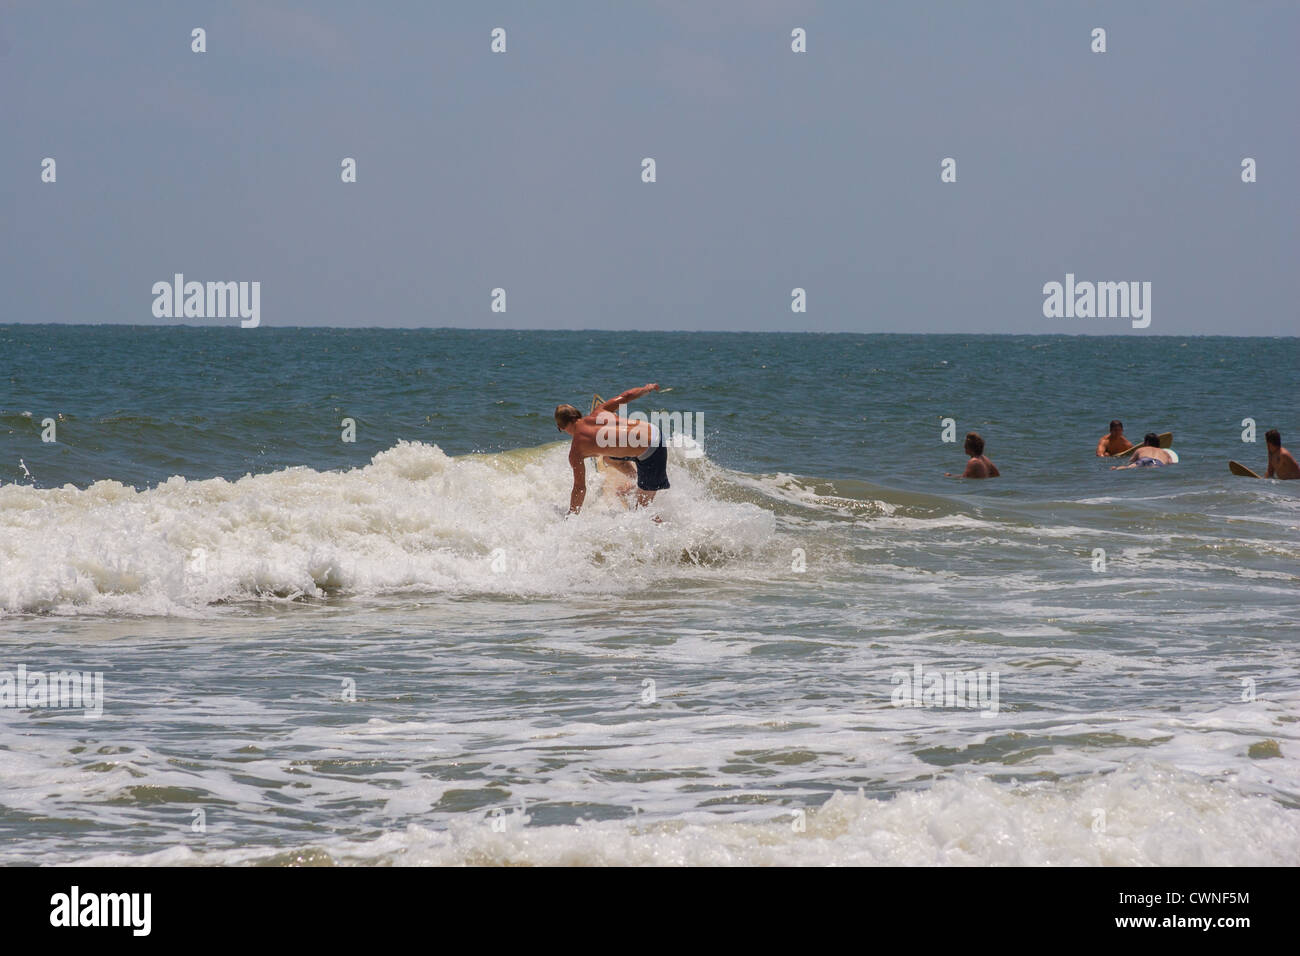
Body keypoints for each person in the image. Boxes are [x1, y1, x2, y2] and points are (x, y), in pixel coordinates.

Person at [556, 383, 669, 512]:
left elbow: (579, 488)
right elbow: (626, 396)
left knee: (643, 512)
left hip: (652, 452)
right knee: (608, 458)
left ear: (561, 427)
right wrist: (646, 389)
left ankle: (672, 530)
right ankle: (635, 479)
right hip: (653, 430)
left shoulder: (576, 451)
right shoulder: (599, 411)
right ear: (578, 415)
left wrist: (572, 514)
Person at [1112, 432, 1176, 469]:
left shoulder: (1141, 449)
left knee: (1128, 467)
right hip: (1157, 462)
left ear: (1147, 443)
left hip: (1144, 460)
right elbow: (1171, 464)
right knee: (1154, 468)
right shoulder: (1165, 452)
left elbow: (1130, 462)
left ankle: (1116, 468)